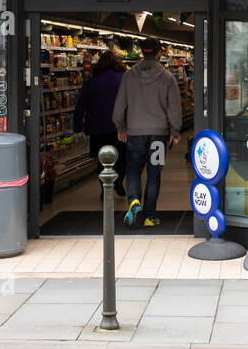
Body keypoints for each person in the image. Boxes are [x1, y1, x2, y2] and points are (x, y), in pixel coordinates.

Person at [113, 38, 182, 227]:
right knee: (154, 174)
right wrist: (175, 130)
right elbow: (174, 107)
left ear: (143, 52)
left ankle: (134, 200)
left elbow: (120, 105)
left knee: (133, 169)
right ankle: (150, 216)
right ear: (159, 53)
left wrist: (120, 127)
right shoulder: (168, 77)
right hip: (159, 134)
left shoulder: (129, 76)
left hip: (134, 134)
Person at [73, 49, 127, 196]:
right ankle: (118, 181)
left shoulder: (91, 82)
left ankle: (105, 187)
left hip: (97, 126)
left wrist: (77, 125)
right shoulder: (123, 78)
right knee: (121, 156)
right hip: (119, 126)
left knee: (102, 158)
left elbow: (81, 105)